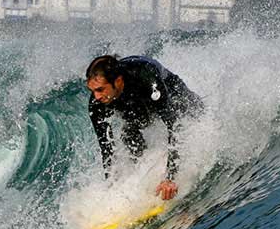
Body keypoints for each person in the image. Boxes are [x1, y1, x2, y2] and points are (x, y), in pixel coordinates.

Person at [86, 54, 203, 200]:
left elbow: (174, 127)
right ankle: (145, 181)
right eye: (93, 91)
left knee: (192, 112)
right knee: (129, 134)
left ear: (118, 81)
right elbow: (107, 150)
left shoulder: (146, 76)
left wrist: (170, 178)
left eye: (100, 89)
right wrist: (110, 189)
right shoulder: (97, 103)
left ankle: (169, 180)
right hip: (134, 103)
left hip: (168, 90)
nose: (96, 97)